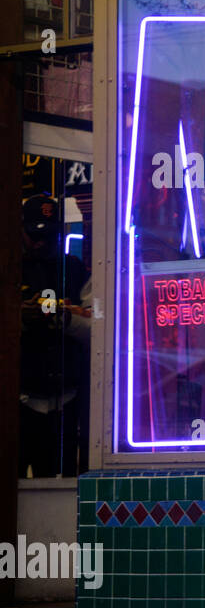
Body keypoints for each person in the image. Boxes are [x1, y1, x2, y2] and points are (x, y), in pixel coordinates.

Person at [19, 194, 91, 478]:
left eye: (47, 236)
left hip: (65, 399)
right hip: (22, 399)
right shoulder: (12, 267)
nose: (39, 242)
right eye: (33, 235)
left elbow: (95, 323)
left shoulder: (72, 269)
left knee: (58, 482)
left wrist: (61, 314)